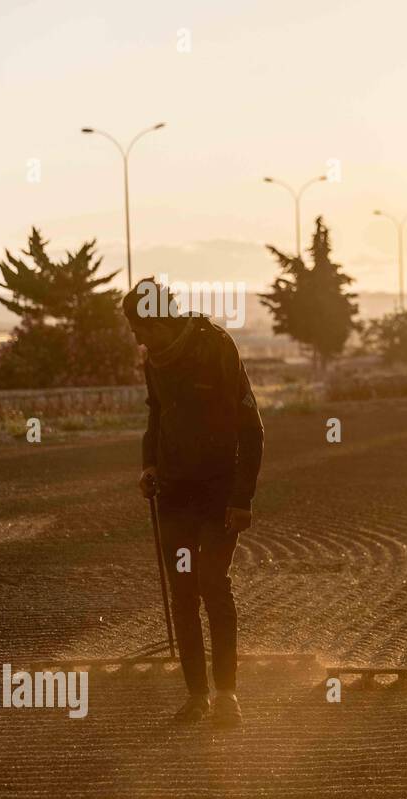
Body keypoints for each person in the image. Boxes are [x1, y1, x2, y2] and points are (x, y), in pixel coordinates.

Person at [122, 279, 264, 726]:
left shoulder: (217, 345)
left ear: (159, 318)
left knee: (211, 583)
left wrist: (242, 498)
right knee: (183, 594)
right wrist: (149, 466)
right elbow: (156, 414)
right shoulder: (155, 360)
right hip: (175, 496)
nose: (138, 339)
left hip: (219, 493)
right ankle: (197, 696)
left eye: (140, 328)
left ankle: (228, 695)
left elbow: (252, 427)